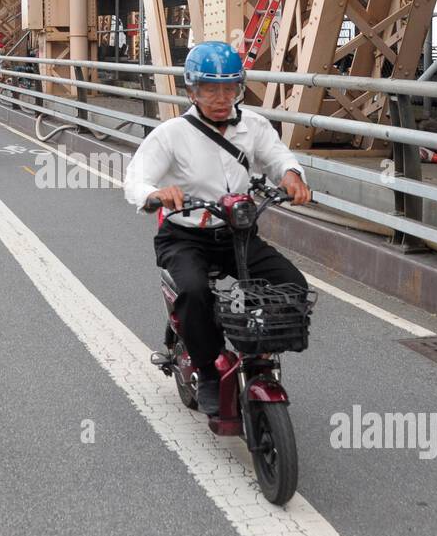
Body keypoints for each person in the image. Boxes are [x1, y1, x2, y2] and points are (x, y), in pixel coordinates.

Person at [122, 41, 312, 416]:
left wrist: (291, 176)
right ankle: (208, 370)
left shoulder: (254, 125)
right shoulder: (172, 133)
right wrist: (157, 193)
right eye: (210, 88)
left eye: (230, 88)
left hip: (237, 234)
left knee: (292, 285)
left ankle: (254, 347)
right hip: (185, 235)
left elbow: (278, 157)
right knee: (193, 292)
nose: (222, 97)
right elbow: (136, 178)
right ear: (191, 89)